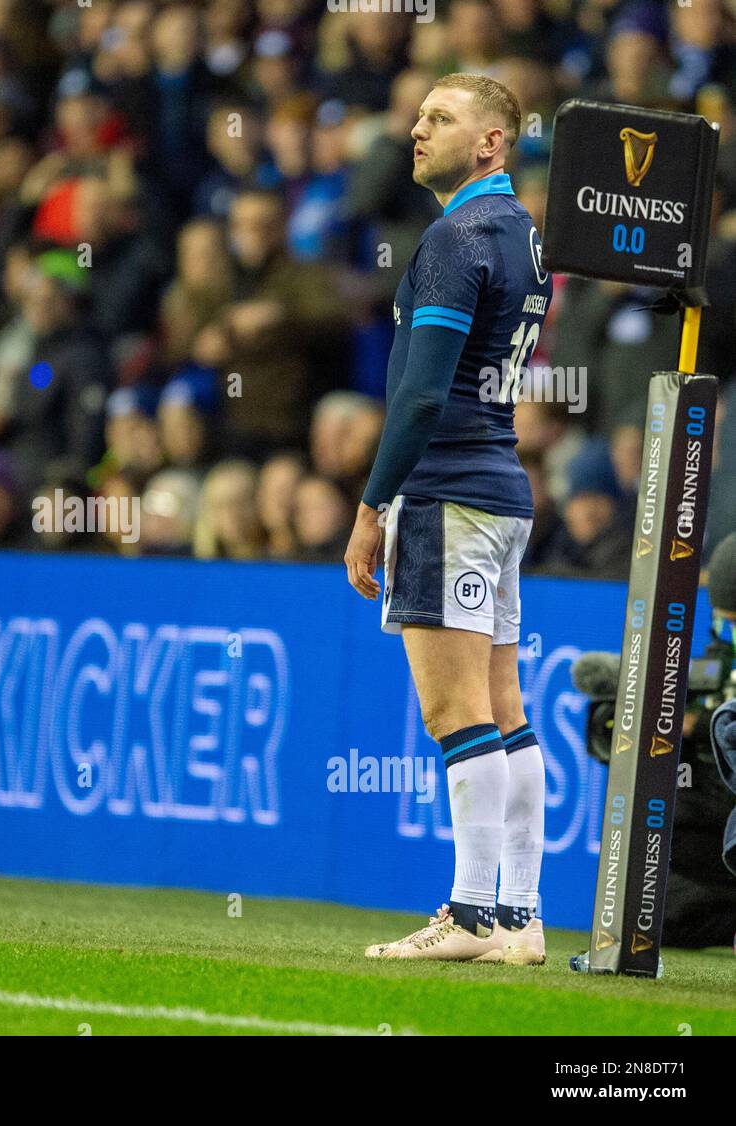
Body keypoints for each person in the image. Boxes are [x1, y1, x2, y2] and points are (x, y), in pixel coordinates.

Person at [344, 74, 553, 964]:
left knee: (452, 711)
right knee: (505, 708)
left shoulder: (451, 236)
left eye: (440, 118)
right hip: (502, 491)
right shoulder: (524, 237)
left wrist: (369, 509)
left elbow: (422, 393)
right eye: (418, 114)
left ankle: (469, 917)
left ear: (493, 142)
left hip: (448, 493)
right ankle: (522, 918)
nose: (416, 128)